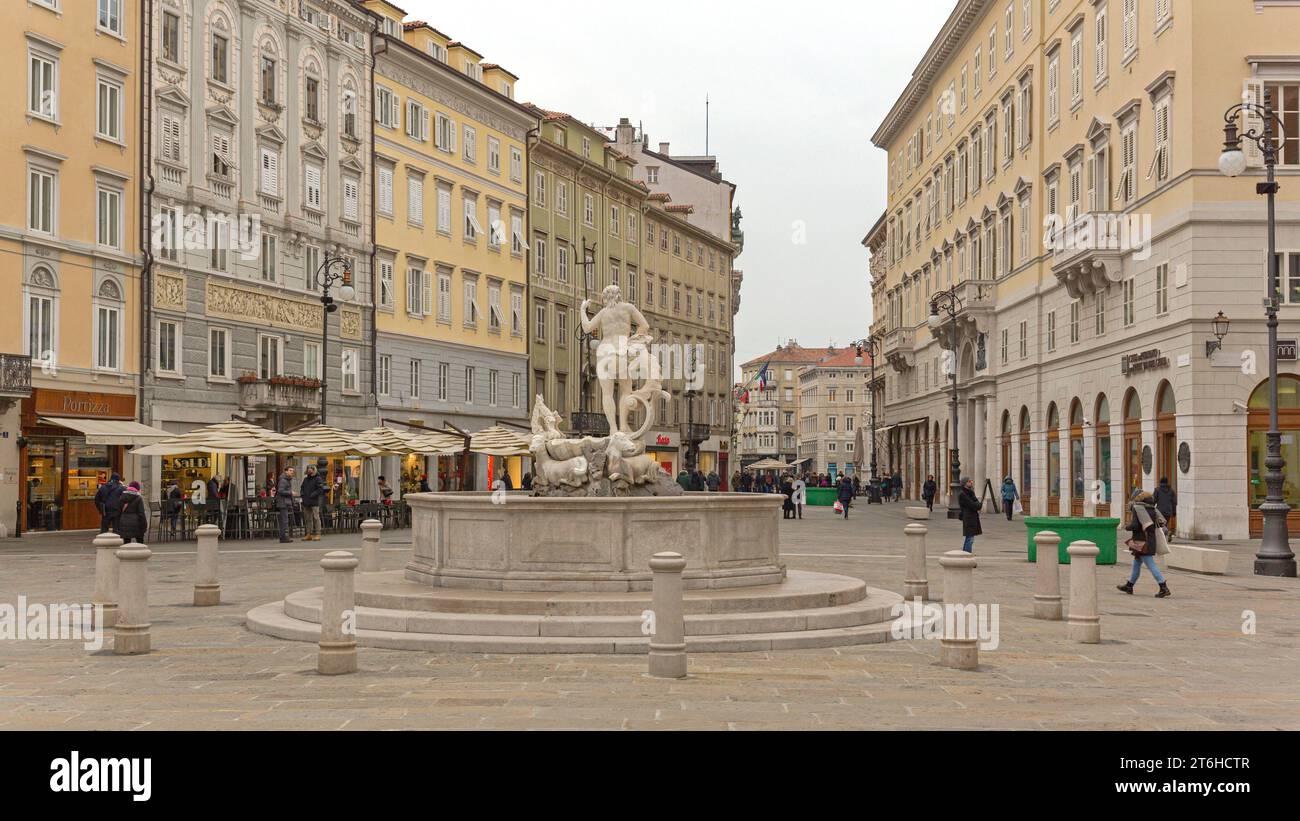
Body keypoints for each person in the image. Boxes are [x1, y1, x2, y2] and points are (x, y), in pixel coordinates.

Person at [1119, 491, 1172, 598]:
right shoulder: (1153, 509)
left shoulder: (1137, 508)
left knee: (1150, 564)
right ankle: (1129, 585)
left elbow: (1135, 525)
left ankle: (1163, 586)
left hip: (1142, 541)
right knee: (1136, 563)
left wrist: (1127, 527)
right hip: (1150, 539)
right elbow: (1161, 522)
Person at [300, 465, 324, 542]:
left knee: (316, 518)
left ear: (314, 470)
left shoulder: (318, 478)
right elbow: (302, 488)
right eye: (308, 469)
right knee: (307, 518)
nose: (309, 470)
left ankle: (318, 534)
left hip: (314, 501)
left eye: (311, 469)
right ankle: (308, 534)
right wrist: (302, 495)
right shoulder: (305, 479)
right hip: (306, 501)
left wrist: (312, 495)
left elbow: (320, 489)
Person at [958, 477, 982, 553]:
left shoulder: (970, 492)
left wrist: (978, 505)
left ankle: (965, 555)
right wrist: (978, 505)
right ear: (965, 483)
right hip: (968, 517)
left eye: (971, 480)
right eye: (969, 481)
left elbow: (977, 504)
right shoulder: (962, 494)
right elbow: (973, 505)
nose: (971, 482)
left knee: (970, 538)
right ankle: (967, 555)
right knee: (970, 538)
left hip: (972, 517)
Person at [276, 466, 296, 544]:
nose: (292, 472)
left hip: (285, 502)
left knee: (285, 520)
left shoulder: (286, 480)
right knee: (285, 520)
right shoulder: (283, 480)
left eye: (292, 471)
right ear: (286, 471)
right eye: (290, 470)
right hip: (283, 502)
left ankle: (283, 536)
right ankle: (283, 537)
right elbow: (280, 491)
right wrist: (290, 492)